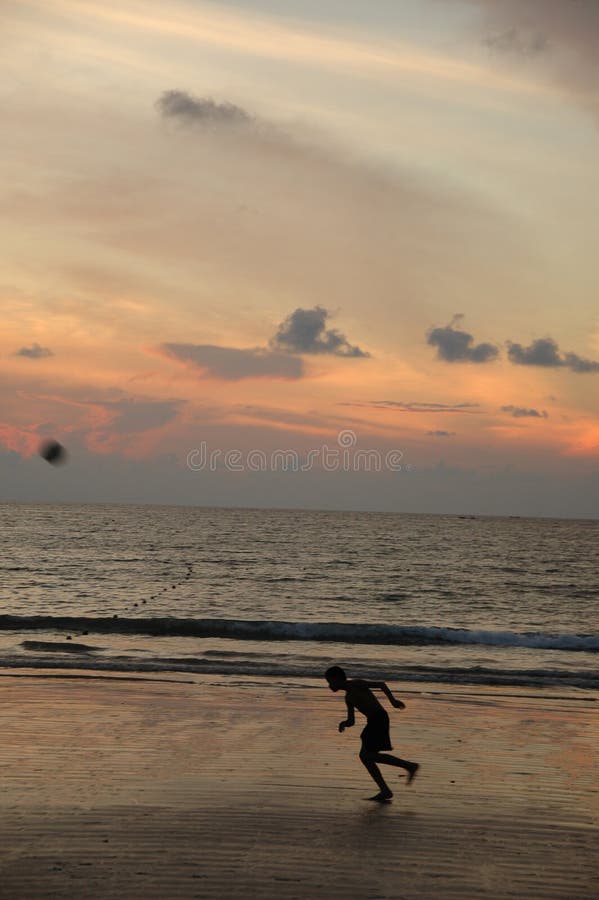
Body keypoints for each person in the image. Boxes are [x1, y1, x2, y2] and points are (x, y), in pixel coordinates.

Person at [325, 665, 419, 802]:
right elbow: (352, 721)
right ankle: (385, 789)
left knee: (367, 755)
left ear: (337, 679)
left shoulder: (356, 684)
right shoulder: (348, 698)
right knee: (366, 757)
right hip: (373, 721)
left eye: (329, 681)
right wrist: (343, 723)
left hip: (379, 718)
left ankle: (408, 766)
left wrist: (392, 701)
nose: (329, 685)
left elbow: (381, 684)